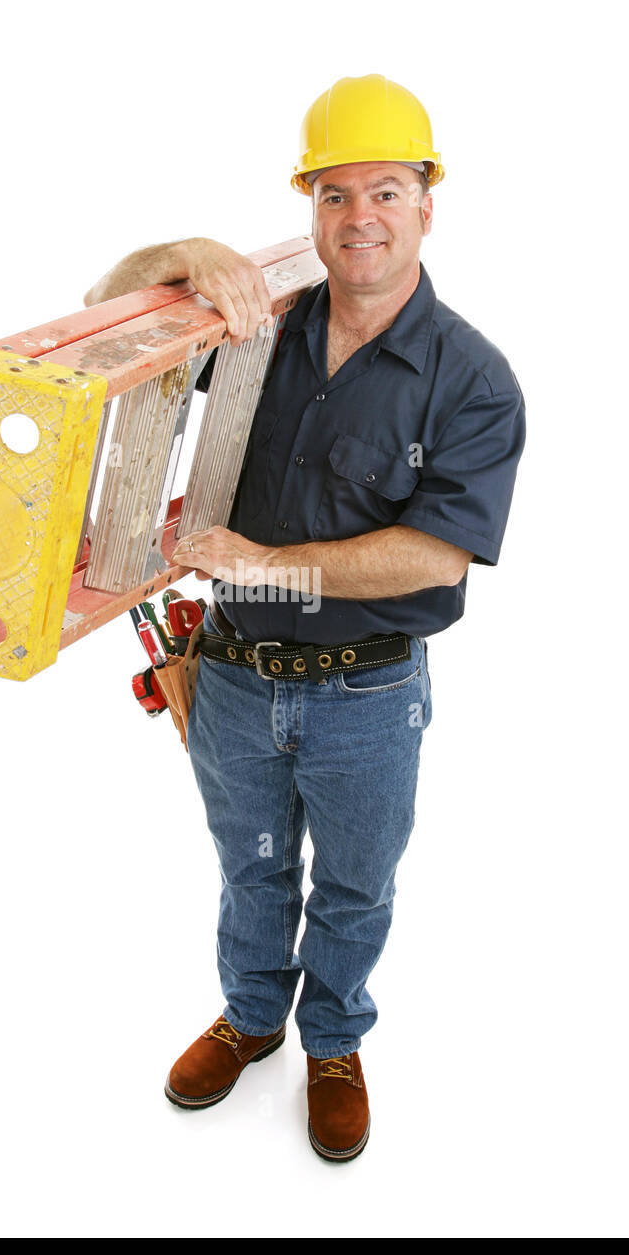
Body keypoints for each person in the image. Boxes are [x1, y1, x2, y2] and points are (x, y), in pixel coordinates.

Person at [84, 74, 526, 1162]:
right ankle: (250, 1017)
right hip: (230, 673)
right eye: (333, 194)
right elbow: (103, 324)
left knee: (356, 879)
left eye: (384, 188)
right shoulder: (254, 328)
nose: (358, 216)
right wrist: (177, 254)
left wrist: (266, 566)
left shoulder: (471, 379)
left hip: (368, 692)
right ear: (309, 208)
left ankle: (330, 1039)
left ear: (427, 202)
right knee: (249, 865)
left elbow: (432, 553)